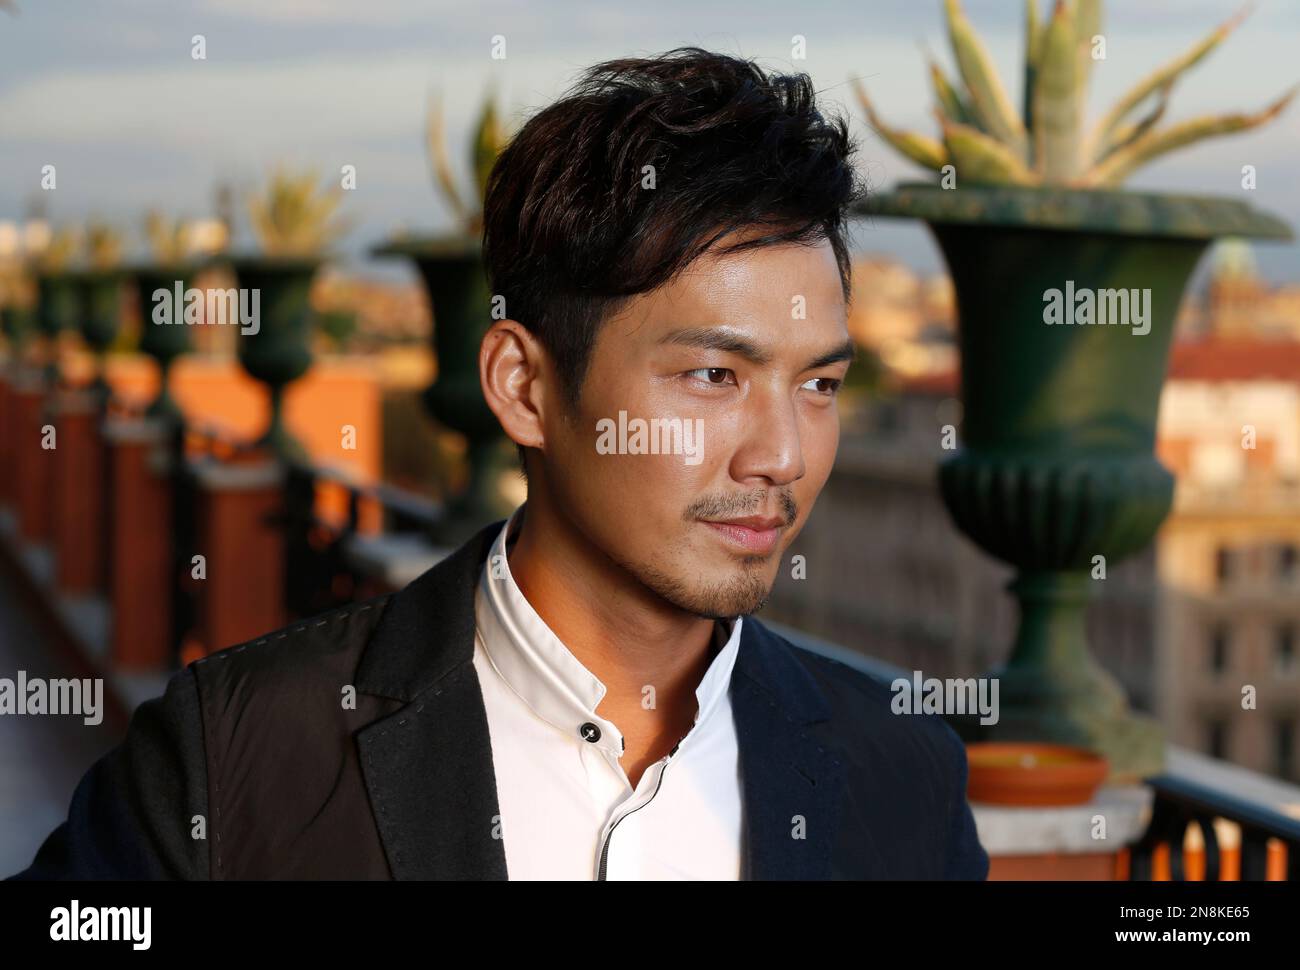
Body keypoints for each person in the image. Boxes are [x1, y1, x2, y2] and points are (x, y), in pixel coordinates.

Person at [11, 46, 987, 881]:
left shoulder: (901, 777)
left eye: (818, 386)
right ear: (523, 386)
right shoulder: (237, 761)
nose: (781, 454)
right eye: (710, 375)